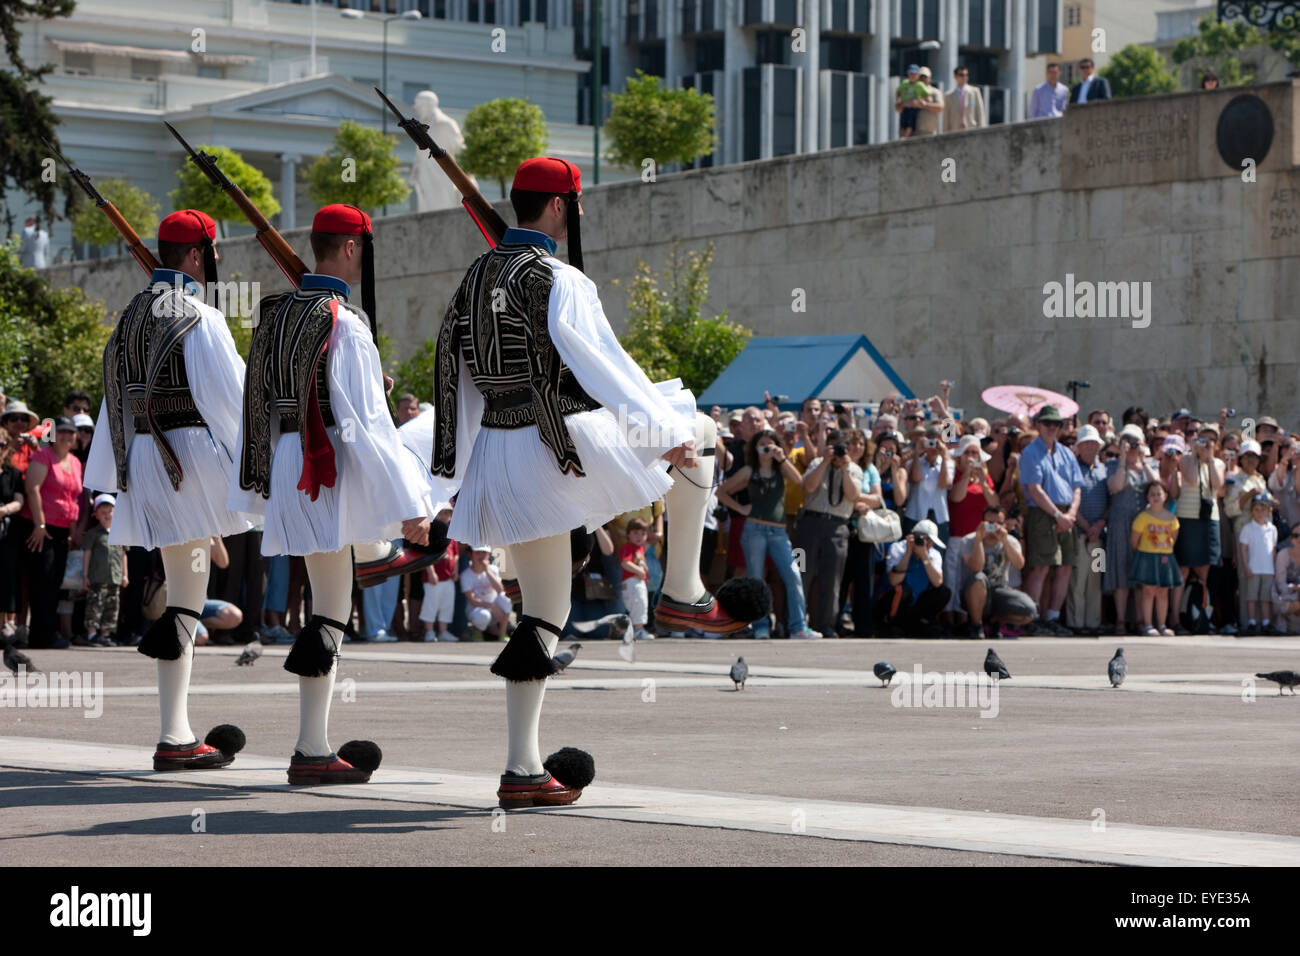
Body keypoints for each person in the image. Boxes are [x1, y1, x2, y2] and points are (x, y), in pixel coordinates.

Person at [431, 157, 767, 808]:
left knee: (542, 615)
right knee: (694, 432)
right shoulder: (557, 277)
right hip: (558, 444)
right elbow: (601, 361)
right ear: (560, 208)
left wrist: (456, 466)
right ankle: (683, 590)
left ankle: (522, 769)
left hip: (501, 450)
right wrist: (654, 426)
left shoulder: (474, 279)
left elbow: (456, 376)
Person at [228, 203, 446, 785]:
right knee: (329, 610)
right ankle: (310, 748)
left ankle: (312, 743)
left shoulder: (274, 318)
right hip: (326, 471)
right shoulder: (342, 321)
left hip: (290, 464)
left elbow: (267, 403)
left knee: (325, 601)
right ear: (351, 249)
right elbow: (370, 426)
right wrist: (410, 506)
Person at [717, 428, 818, 639]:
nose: (765, 447)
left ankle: (798, 627)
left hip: (779, 531)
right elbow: (721, 491)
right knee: (756, 579)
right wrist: (741, 508)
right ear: (754, 447)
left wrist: (781, 458)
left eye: (769, 444)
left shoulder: (781, 469)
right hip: (754, 529)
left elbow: (799, 481)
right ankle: (760, 626)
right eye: (762, 444)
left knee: (793, 576)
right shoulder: (748, 471)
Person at [1019, 406, 1082, 635]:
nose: (1052, 428)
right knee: (1041, 566)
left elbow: (1077, 487)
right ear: (1037, 425)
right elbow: (1034, 489)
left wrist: (1071, 514)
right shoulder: (1030, 452)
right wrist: (1058, 515)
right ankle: (1032, 617)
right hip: (1043, 512)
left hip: (1067, 512)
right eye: (1047, 423)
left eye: (1056, 424)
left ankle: (1053, 616)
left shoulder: (1066, 452)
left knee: (1066, 566)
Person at [22, 418, 83, 649]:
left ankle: (48, 632)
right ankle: (40, 636)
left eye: (72, 432)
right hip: (41, 529)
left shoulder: (76, 462)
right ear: (53, 434)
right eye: (63, 431)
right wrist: (39, 526)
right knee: (43, 582)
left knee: (56, 582)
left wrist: (73, 532)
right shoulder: (43, 455)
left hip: (62, 531)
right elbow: (32, 488)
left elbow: (74, 499)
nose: (68, 436)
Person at [796, 427, 863, 637]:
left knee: (832, 580)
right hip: (810, 525)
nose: (839, 452)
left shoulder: (854, 469)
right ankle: (796, 622)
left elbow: (853, 496)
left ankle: (826, 624)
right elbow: (808, 486)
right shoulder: (817, 463)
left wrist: (843, 468)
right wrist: (825, 461)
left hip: (837, 528)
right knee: (801, 574)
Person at [1104, 424, 1158, 635]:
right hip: (1119, 523)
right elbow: (1116, 486)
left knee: (1140, 574)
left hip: (1143, 525)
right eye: (1128, 441)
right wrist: (1123, 459)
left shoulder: (1148, 466)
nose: (1132, 445)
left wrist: (1142, 460)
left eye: (1135, 441)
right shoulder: (1113, 465)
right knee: (1120, 571)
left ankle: (1140, 620)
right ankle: (1120, 620)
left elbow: (1157, 486)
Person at [1173, 423, 1224, 632]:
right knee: (1183, 570)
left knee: (1205, 572)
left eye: (1212, 439)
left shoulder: (1218, 462)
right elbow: (1192, 479)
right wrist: (1194, 454)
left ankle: (1202, 618)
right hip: (1187, 518)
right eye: (1204, 438)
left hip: (1209, 519)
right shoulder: (1185, 459)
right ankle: (1175, 618)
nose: (1208, 443)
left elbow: (1217, 485)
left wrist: (1209, 457)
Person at [955, 506, 1035, 639]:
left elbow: (1019, 565)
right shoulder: (969, 540)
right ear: (982, 523)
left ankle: (994, 621)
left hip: (999, 591)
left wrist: (1004, 540)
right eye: (990, 524)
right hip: (974, 593)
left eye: (999, 523)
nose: (995, 527)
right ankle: (976, 625)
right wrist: (979, 539)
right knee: (979, 578)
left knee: (1029, 611)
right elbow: (976, 568)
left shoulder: (1010, 541)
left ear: (1005, 525)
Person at [1066, 425, 1108, 635]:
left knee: (1096, 579)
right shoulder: (1072, 468)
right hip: (1080, 534)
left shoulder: (1104, 470)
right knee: (1079, 580)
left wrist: (1100, 524)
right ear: (1079, 446)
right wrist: (1086, 525)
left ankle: (1093, 622)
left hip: (1099, 537)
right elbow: (1070, 501)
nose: (1091, 447)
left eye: (1094, 443)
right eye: (1087, 443)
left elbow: (1110, 501)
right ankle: (1076, 623)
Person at [876, 519, 950, 635]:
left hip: (915, 604)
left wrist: (924, 556)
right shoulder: (898, 548)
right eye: (925, 540)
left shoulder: (934, 554)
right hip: (893, 602)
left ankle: (920, 623)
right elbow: (894, 581)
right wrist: (908, 554)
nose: (929, 544)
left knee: (944, 592)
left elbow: (938, 583)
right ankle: (890, 623)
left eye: (931, 541)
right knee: (902, 590)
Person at [1130, 481, 1181, 637]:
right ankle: (1147, 625)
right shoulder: (1142, 517)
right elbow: (1134, 540)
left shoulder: (1172, 518)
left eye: (1159, 493)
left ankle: (1162, 624)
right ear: (1147, 497)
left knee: (1163, 591)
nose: (1156, 497)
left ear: (1165, 496)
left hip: (1165, 556)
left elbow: (1174, 537)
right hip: (1147, 556)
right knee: (1148, 591)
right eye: (1152, 494)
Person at [79, 493, 127, 647]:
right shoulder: (94, 534)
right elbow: (87, 554)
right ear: (96, 514)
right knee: (95, 605)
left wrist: (125, 575)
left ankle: (106, 634)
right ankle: (92, 634)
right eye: (103, 512)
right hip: (97, 578)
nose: (107, 515)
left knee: (111, 606)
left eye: (110, 511)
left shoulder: (119, 533)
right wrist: (85, 575)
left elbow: (123, 554)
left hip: (114, 577)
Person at [1239, 495, 1279, 635]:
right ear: (1252, 511)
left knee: (1265, 598)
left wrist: (1274, 567)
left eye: (1263, 510)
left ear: (1269, 511)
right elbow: (1243, 549)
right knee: (1251, 597)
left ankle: (1266, 622)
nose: (1260, 513)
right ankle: (1251, 622)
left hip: (1268, 569)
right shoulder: (1248, 528)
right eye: (1256, 509)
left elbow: (1273, 550)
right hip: (1253, 568)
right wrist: (1245, 566)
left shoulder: (1272, 529)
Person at [419, 508, 460, 642]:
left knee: (446, 605)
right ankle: (429, 631)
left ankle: (443, 631)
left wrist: (455, 570)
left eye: (446, 514)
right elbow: (425, 553)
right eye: (440, 513)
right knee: (431, 604)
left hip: (448, 577)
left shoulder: (451, 534)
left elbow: (455, 555)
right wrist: (431, 572)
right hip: (434, 578)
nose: (443, 516)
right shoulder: (431, 533)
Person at [462, 547, 512, 638]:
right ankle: (477, 632)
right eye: (477, 552)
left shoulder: (493, 569)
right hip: (477, 610)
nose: (481, 556)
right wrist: (491, 606)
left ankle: (502, 634)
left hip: (494, 610)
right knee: (483, 616)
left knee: (506, 600)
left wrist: (487, 571)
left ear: (489, 555)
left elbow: (500, 590)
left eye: (484, 552)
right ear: (471, 555)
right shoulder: (465, 575)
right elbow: (472, 600)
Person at [619, 517, 653, 641]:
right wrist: (639, 571)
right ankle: (638, 630)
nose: (639, 536)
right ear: (628, 534)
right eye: (635, 533)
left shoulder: (640, 549)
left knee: (640, 604)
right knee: (638, 603)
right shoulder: (628, 547)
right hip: (632, 581)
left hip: (638, 582)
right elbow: (624, 563)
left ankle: (634, 629)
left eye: (643, 533)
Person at [1272, 527, 1300, 634]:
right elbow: (1280, 584)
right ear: (1290, 538)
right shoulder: (1283, 555)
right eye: (1296, 536)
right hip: (1282, 596)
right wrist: (1294, 589)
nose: (1299, 539)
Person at [944, 65, 987, 131]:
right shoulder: (948, 96)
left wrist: (982, 131)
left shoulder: (975, 92)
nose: (964, 77)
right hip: (954, 132)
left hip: (972, 130)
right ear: (955, 76)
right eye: (961, 75)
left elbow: (980, 112)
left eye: (966, 75)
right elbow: (946, 118)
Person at [896, 64, 927, 138]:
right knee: (903, 122)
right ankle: (902, 137)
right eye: (911, 73)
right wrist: (899, 100)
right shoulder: (905, 83)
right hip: (905, 107)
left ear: (918, 75)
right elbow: (898, 92)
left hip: (914, 108)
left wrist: (920, 101)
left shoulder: (920, 84)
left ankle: (905, 137)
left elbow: (926, 94)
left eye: (914, 74)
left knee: (910, 123)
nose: (912, 76)